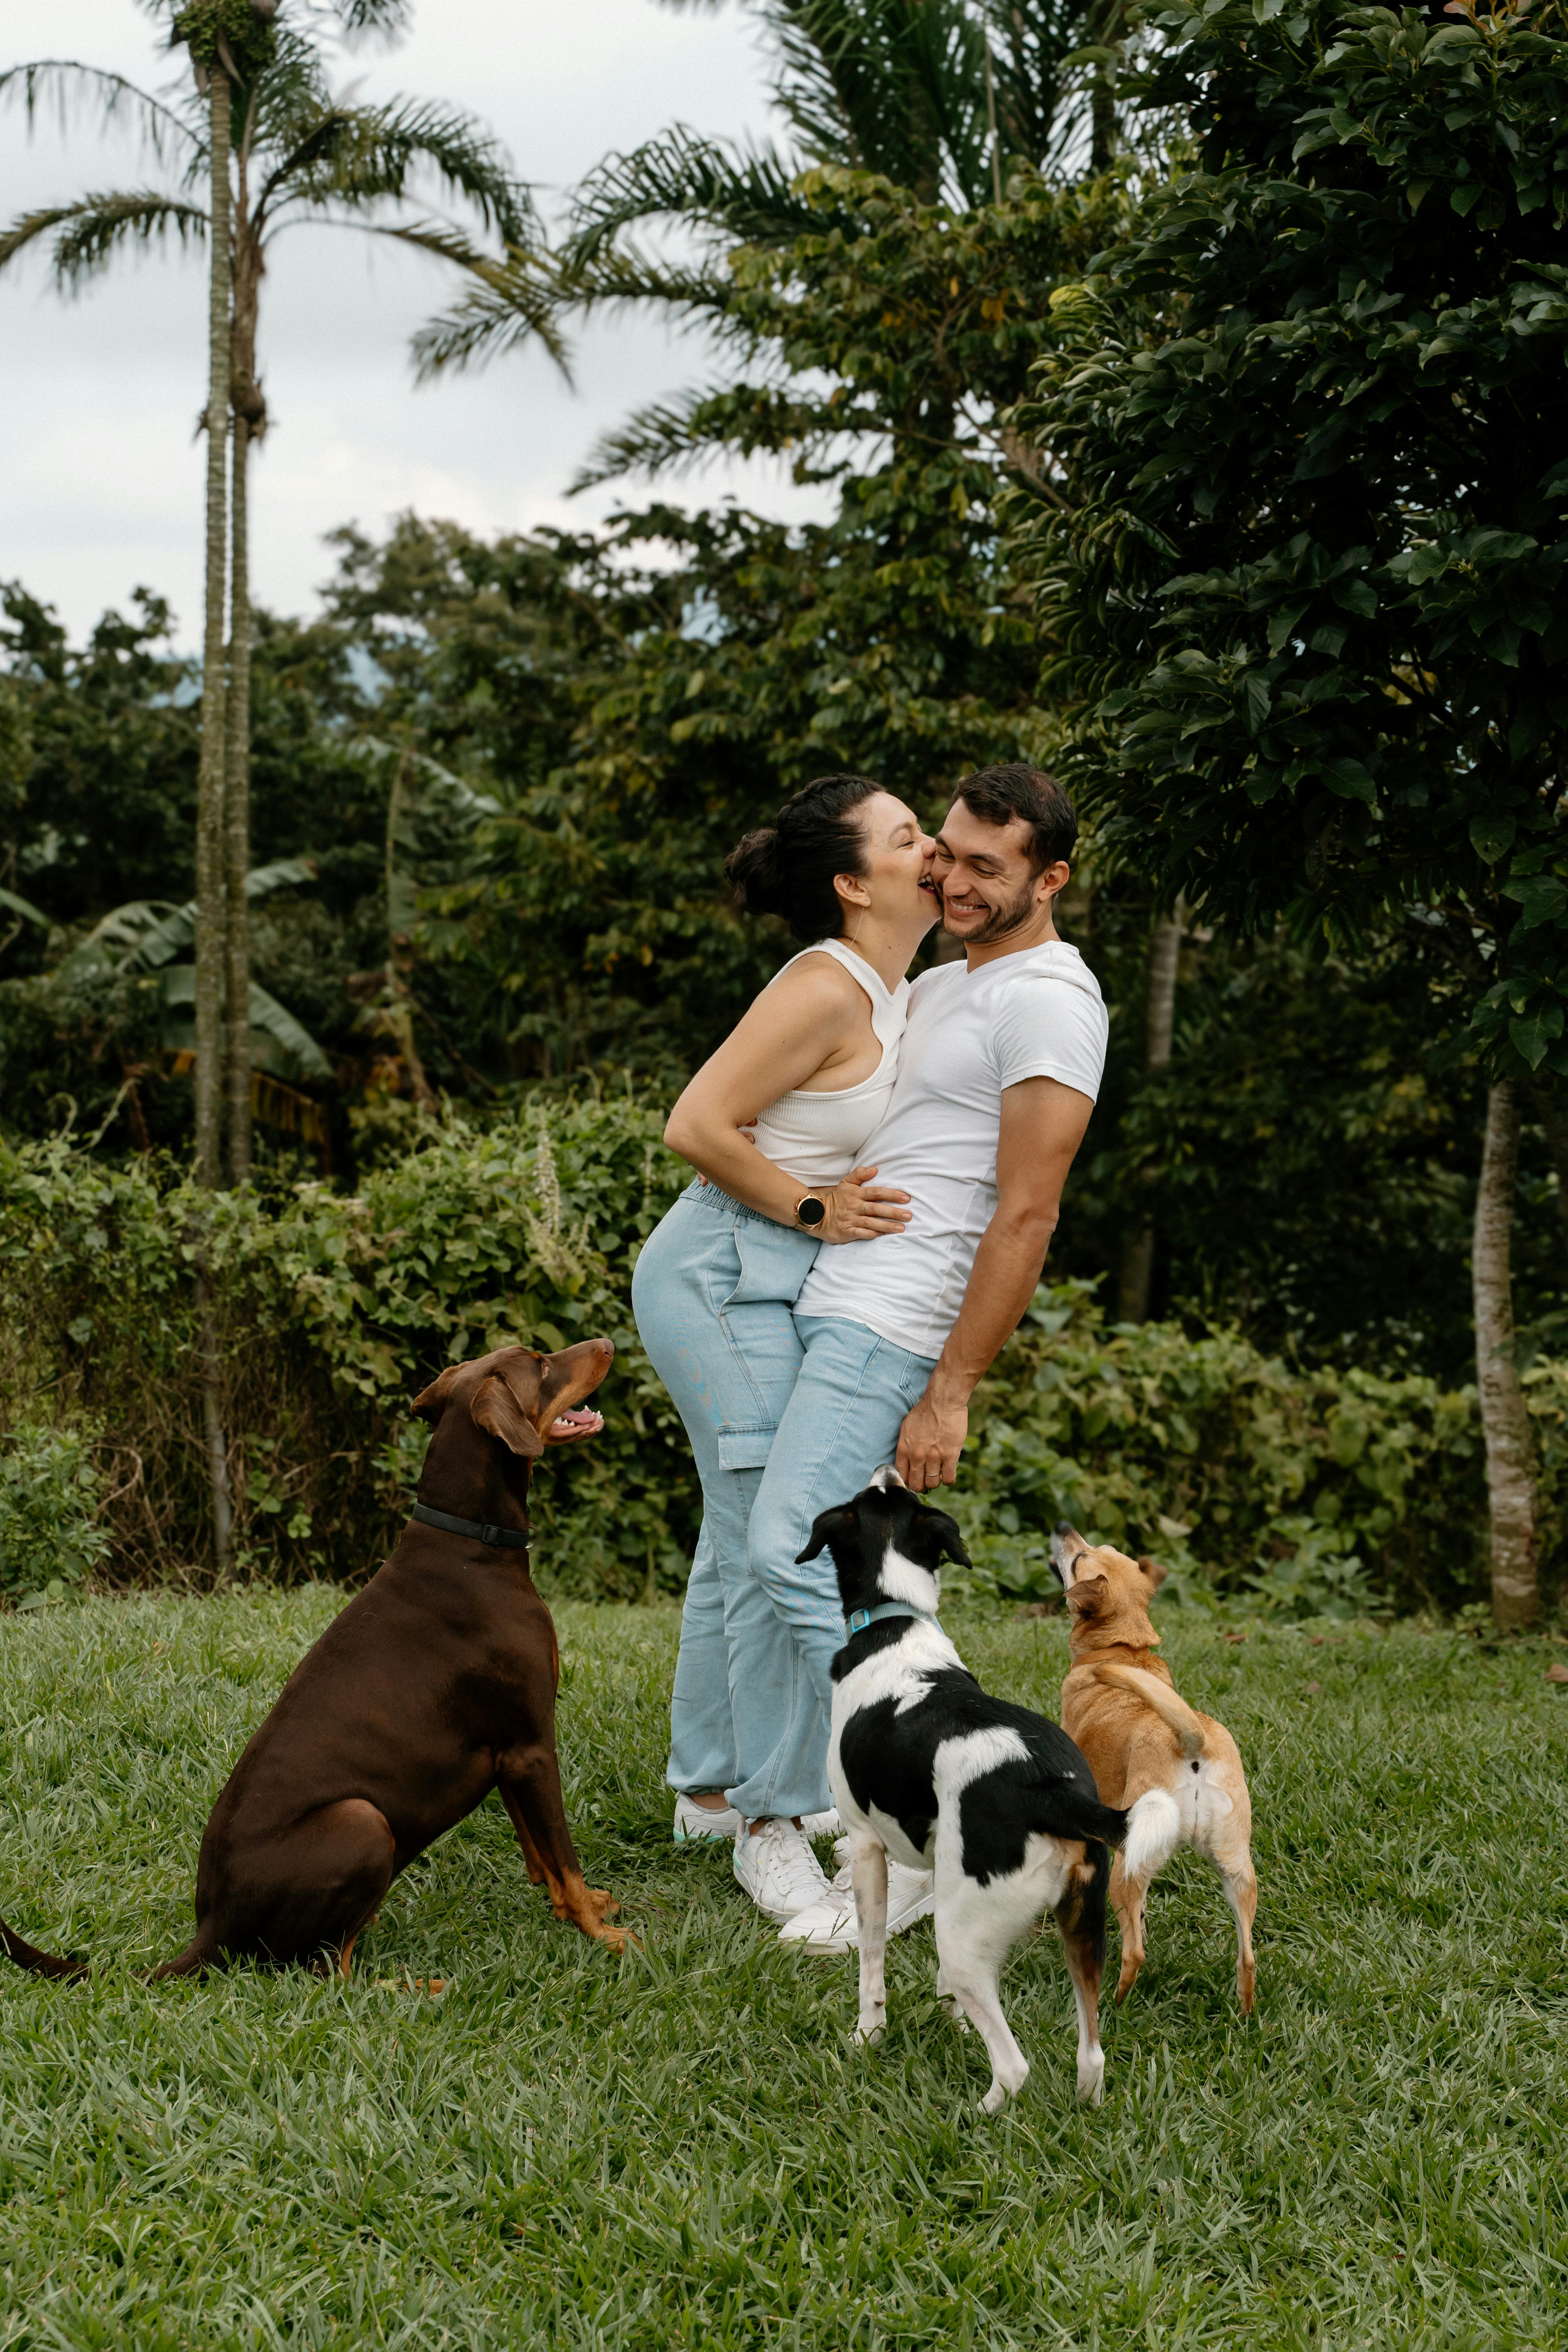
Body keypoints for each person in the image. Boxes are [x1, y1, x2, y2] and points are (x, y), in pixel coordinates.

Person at [736, 763, 1110, 1952]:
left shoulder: (1050, 998)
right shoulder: (953, 977)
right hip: (838, 1295)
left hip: (896, 1321)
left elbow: (1026, 1214)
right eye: (942, 849)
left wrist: (951, 1387)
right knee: (761, 1547)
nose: (948, 874)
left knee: (786, 1546)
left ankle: (938, 1832)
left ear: (1049, 878)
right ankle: (769, 1805)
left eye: (985, 864)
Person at [631, 774, 939, 1926]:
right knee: (787, 1543)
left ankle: (711, 1790)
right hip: (716, 1279)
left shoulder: (896, 985)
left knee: (735, 1538)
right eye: (910, 838)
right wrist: (815, 1210)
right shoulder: (821, 985)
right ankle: (774, 1823)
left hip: (768, 1287)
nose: (936, 850)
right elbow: (694, 1123)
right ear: (853, 884)